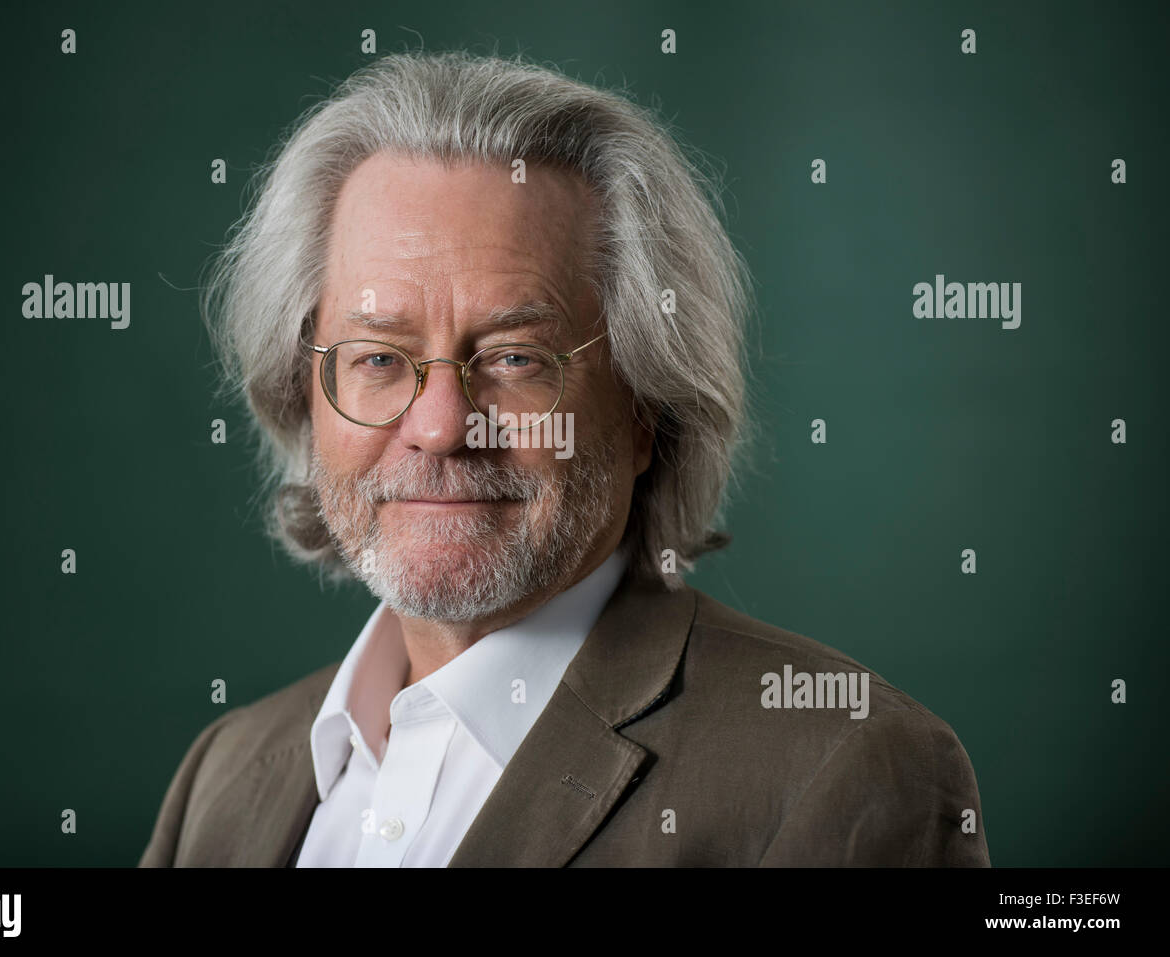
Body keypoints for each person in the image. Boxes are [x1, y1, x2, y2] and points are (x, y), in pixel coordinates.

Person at [139, 50, 990, 867]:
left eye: (515, 358)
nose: (440, 426)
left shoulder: (848, 770)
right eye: (377, 357)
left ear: (648, 406)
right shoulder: (223, 774)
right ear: (305, 392)